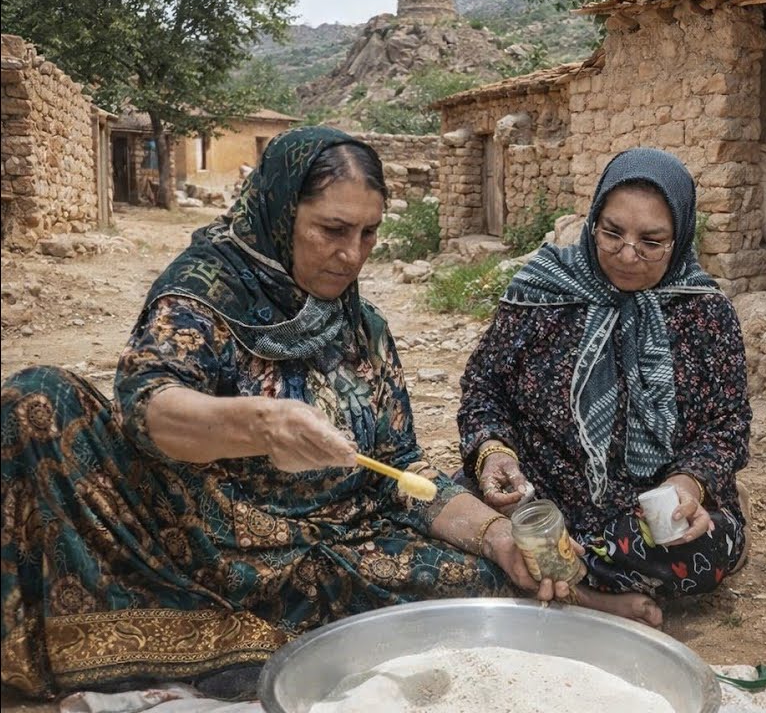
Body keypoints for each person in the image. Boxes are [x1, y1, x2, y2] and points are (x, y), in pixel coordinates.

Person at [0, 127, 563, 700]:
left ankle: (252, 648)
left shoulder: (361, 327)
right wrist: (262, 424)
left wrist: (495, 536)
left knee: (490, 589)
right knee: (38, 399)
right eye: (332, 230)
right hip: (194, 536)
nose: (352, 254)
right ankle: (195, 637)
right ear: (281, 211)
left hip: (326, 552)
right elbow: (151, 408)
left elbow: (402, 470)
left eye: (369, 233)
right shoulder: (204, 292)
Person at [457, 148, 752, 628]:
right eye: (611, 232)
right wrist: (493, 454)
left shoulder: (705, 313)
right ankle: (593, 597)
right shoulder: (542, 289)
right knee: (459, 514)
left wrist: (687, 484)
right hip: (542, 494)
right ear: (592, 220)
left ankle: (555, 577)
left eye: (652, 241)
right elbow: (483, 387)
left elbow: (727, 424)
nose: (627, 253)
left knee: (702, 548)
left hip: (642, 511)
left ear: (679, 239)